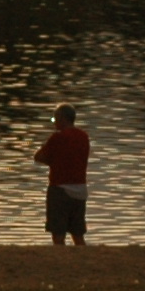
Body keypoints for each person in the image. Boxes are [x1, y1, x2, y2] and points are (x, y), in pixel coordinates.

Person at [33, 105, 89, 245]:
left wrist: (54, 162)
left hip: (60, 189)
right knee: (78, 233)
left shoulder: (57, 138)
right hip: (80, 189)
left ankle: (61, 259)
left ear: (62, 119)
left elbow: (38, 156)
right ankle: (82, 257)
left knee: (58, 234)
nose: (54, 123)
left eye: (55, 119)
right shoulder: (84, 137)